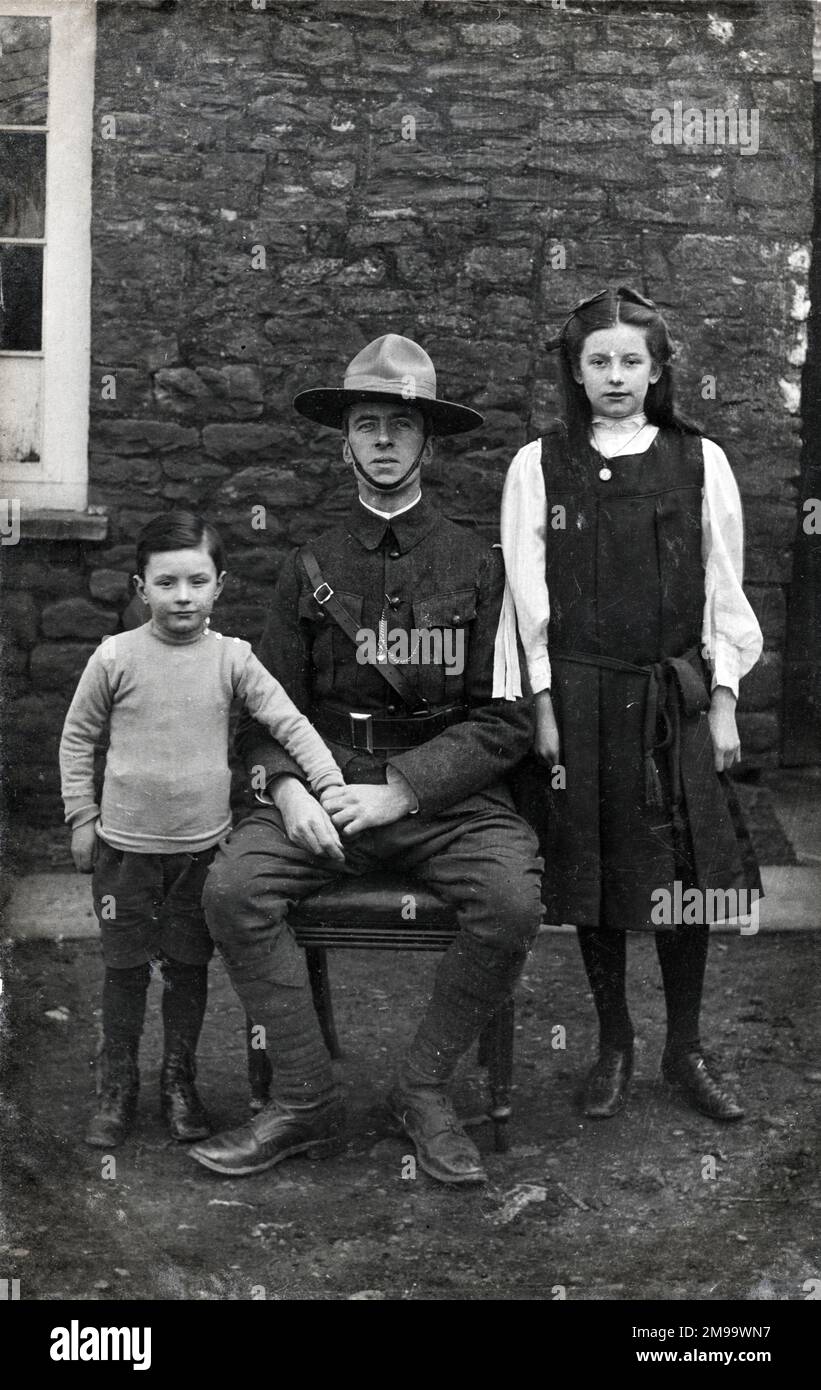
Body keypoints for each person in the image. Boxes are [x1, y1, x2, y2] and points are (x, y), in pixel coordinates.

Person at [190, 334, 544, 1186]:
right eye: (366, 424)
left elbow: (506, 719)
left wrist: (402, 790)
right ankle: (305, 1100)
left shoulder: (481, 565)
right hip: (323, 783)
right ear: (344, 440)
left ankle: (422, 1089)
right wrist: (286, 785)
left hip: (443, 798)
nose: (383, 440)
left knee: (509, 901)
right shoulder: (306, 563)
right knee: (233, 891)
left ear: (428, 442)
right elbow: (264, 701)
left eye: (401, 425)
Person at [501, 287, 764, 1123]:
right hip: (581, 697)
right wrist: (541, 705)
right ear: (574, 375)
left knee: (683, 878)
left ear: (656, 372)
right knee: (599, 873)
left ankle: (682, 1047)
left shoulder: (698, 460)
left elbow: (725, 586)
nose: (615, 376)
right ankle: (612, 1041)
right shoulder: (538, 465)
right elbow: (524, 599)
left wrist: (721, 701)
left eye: (631, 361)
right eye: (598, 361)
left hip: (671, 698)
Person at [59, 510, 345, 1149]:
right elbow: (78, 738)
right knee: (125, 969)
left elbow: (290, 724)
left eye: (196, 582)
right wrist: (82, 818)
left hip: (199, 852)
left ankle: (178, 1082)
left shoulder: (234, 660)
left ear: (220, 586)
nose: (181, 597)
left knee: (188, 968)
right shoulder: (115, 657)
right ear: (142, 588)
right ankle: (117, 1086)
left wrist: (330, 789)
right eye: (165, 583)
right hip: (124, 851)